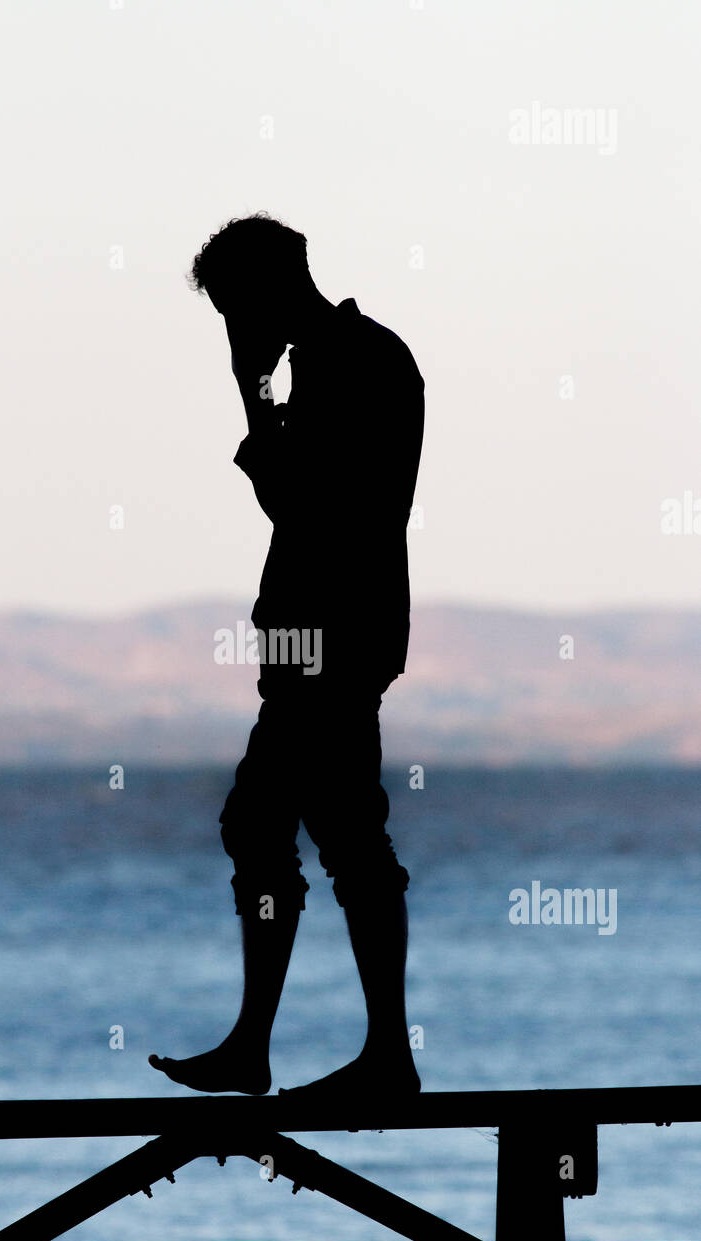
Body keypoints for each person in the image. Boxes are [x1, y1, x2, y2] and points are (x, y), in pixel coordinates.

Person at [149, 213, 425, 1100]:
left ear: (272, 289)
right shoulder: (342, 361)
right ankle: (274, 1047)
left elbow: (307, 508)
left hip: (334, 640)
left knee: (332, 837)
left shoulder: (354, 364)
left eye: (237, 309)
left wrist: (249, 401)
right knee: (284, 828)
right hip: (321, 637)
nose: (237, 332)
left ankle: (377, 1056)